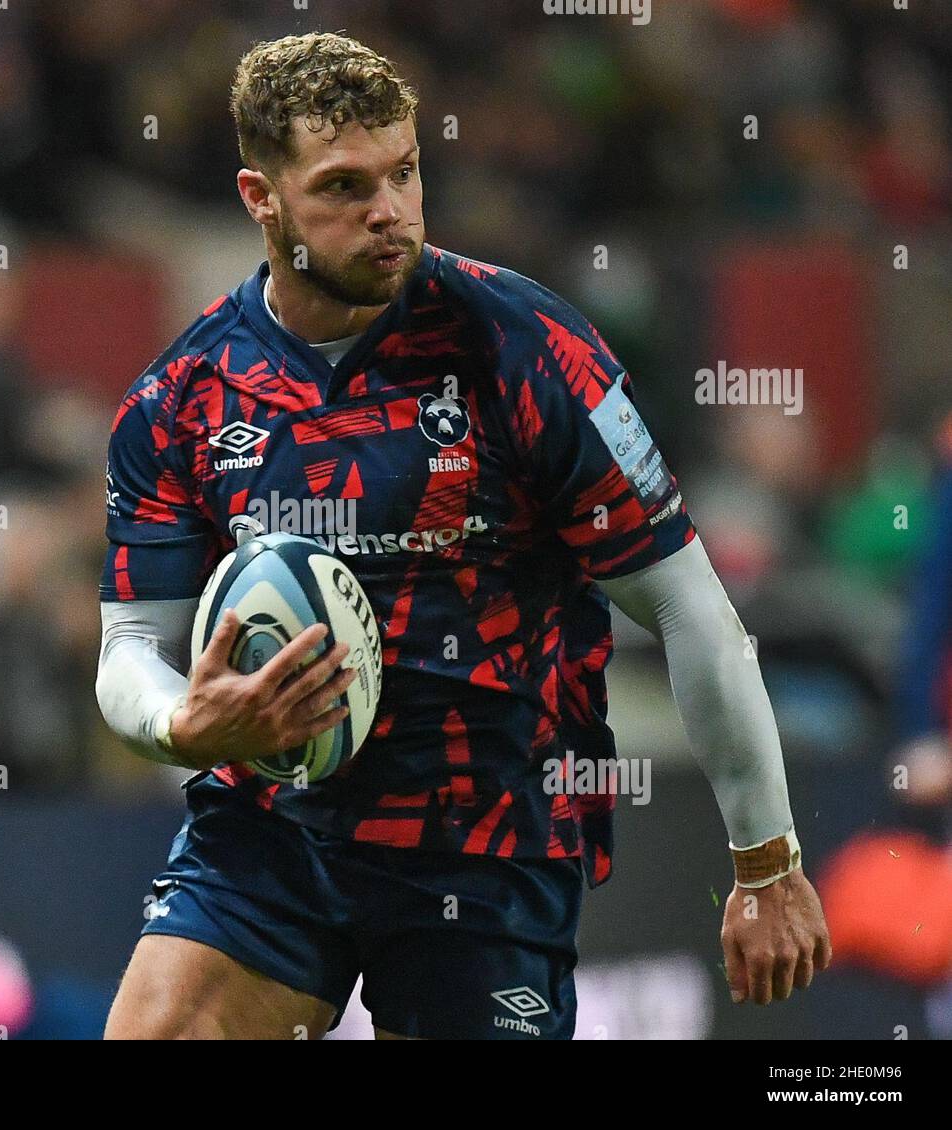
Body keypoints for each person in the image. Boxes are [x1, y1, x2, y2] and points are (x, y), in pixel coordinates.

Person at [95, 31, 830, 1040]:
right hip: (272, 829)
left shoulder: (523, 351)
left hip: (485, 840)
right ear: (259, 199)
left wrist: (767, 860)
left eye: (403, 172)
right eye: (345, 185)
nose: (387, 211)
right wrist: (189, 725)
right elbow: (132, 646)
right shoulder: (181, 398)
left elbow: (693, 612)